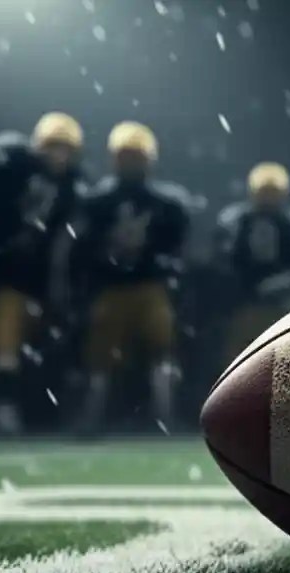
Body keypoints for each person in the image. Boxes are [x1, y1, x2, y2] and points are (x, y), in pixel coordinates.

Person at [0, 111, 86, 438]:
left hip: (21, 277)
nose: (60, 156)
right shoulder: (8, 160)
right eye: (55, 147)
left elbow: (61, 240)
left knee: (6, 348)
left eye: (66, 150)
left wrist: (53, 284)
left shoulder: (71, 185)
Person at [75, 121, 191, 435]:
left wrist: (167, 272)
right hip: (113, 288)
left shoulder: (167, 203)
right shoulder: (97, 201)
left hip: (149, 287)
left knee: (161, 350)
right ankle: (93, 417)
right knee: (100, 356)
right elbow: (84, 249)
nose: (131, 163)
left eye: (136, 156)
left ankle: (164, 416)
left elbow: (177, 250)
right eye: (126, 156)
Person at [216, 162, 290, 365]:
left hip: (281, 302)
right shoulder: (235, 221)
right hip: (245, 301)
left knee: (288, 357)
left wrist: (281, 283)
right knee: (240, 361)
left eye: (272, 193)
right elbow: (224, 260)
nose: (268, 198)